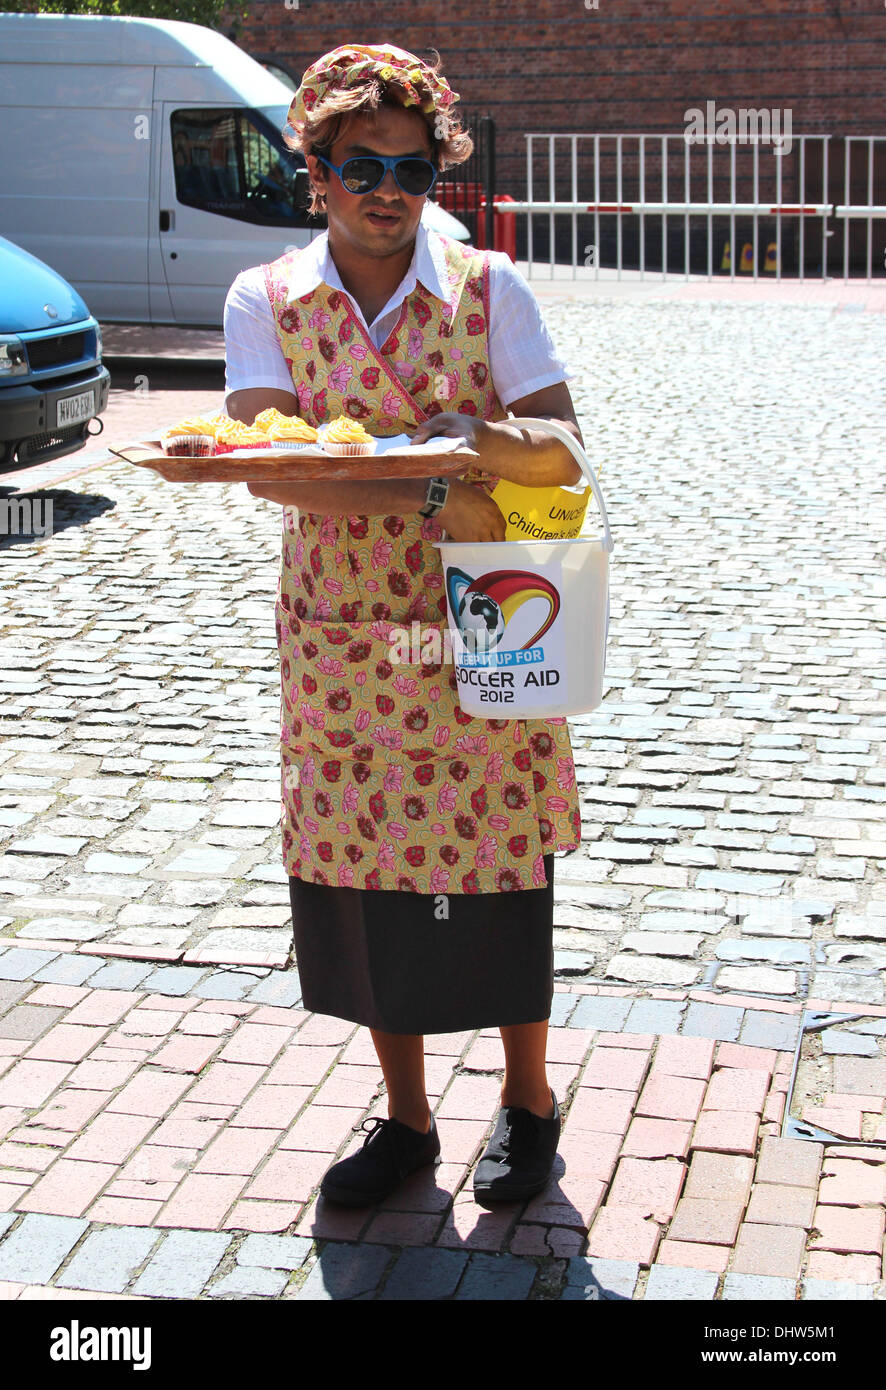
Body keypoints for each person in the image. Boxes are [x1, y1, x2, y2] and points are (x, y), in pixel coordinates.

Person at [223, 42, 586, 1210]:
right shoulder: (268, 299)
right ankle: (408, 1118)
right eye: (361, 165)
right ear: (313, 171)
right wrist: (432, 475)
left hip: (486, 619)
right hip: (340, 636)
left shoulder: (489, 291)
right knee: (369, 876)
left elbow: (565, 455)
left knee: (499, 862)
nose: (389, 189)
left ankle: (528, 1101)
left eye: (414, 169)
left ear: (441, 176)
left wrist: (469, 441)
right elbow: (268, 471)